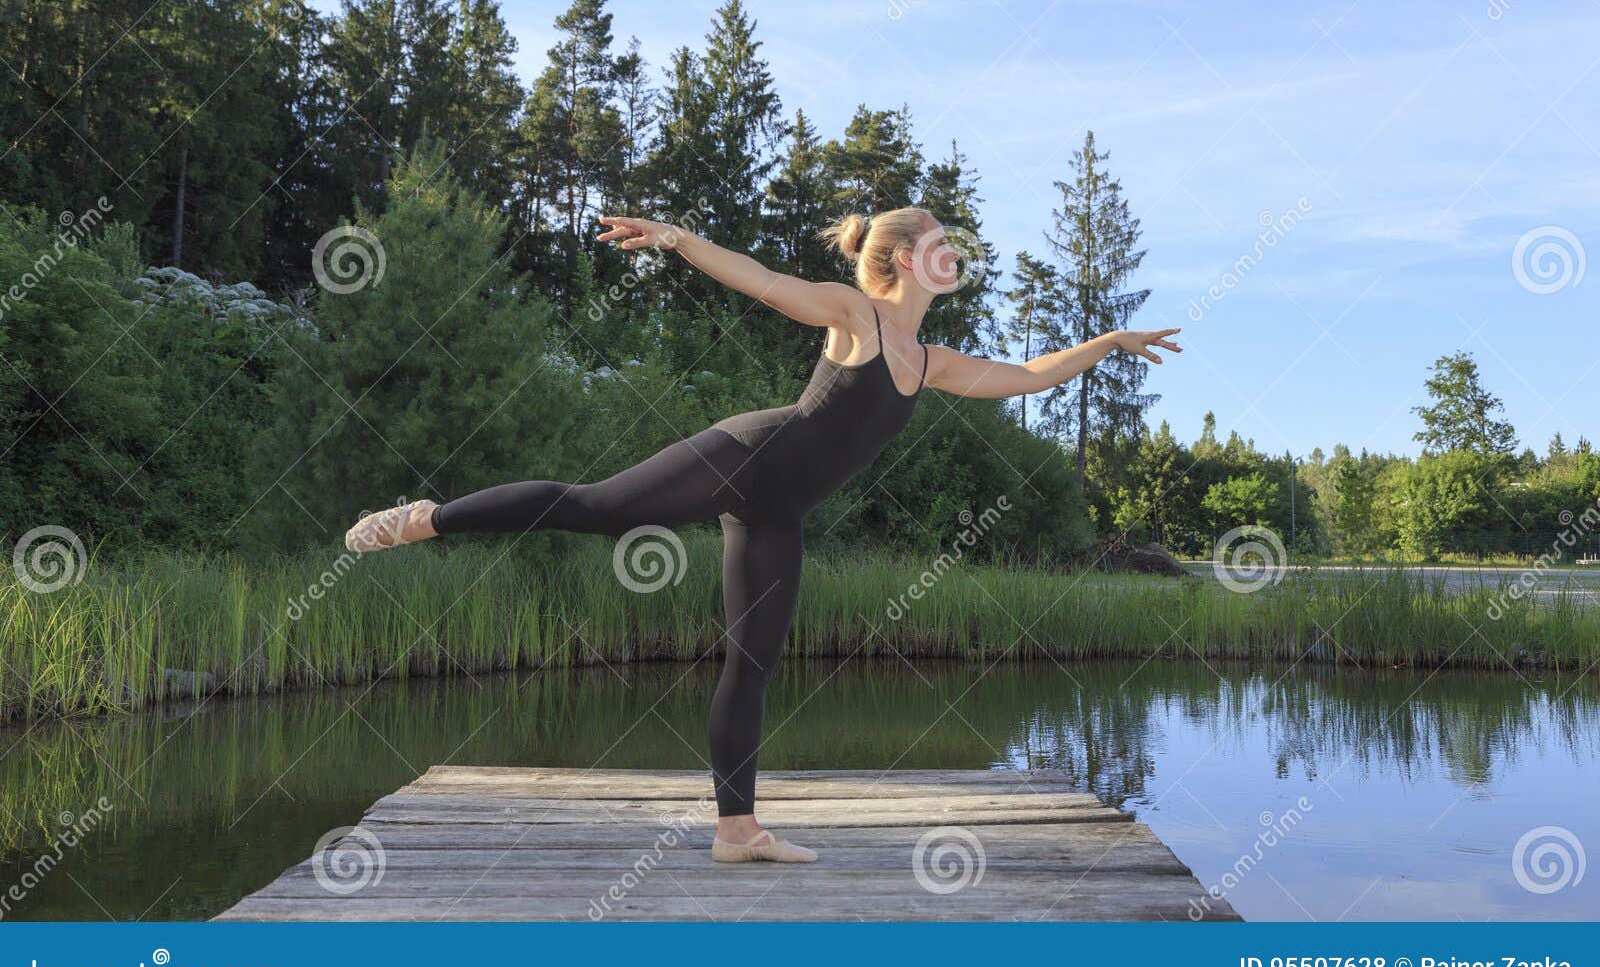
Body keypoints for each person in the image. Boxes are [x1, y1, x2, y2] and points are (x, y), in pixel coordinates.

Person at [344, 207, 1181, 863]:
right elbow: (761, 280)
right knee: (596, 507)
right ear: (901, 258)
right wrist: (677, 239)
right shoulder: (855, 313)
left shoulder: (930, 360)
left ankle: (737, 829)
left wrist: (1110, 340)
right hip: (746, 456)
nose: (952, 249)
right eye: (938, 238)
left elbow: (1028, 375)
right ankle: (428, 517)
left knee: (752, 662)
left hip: (778, 509)